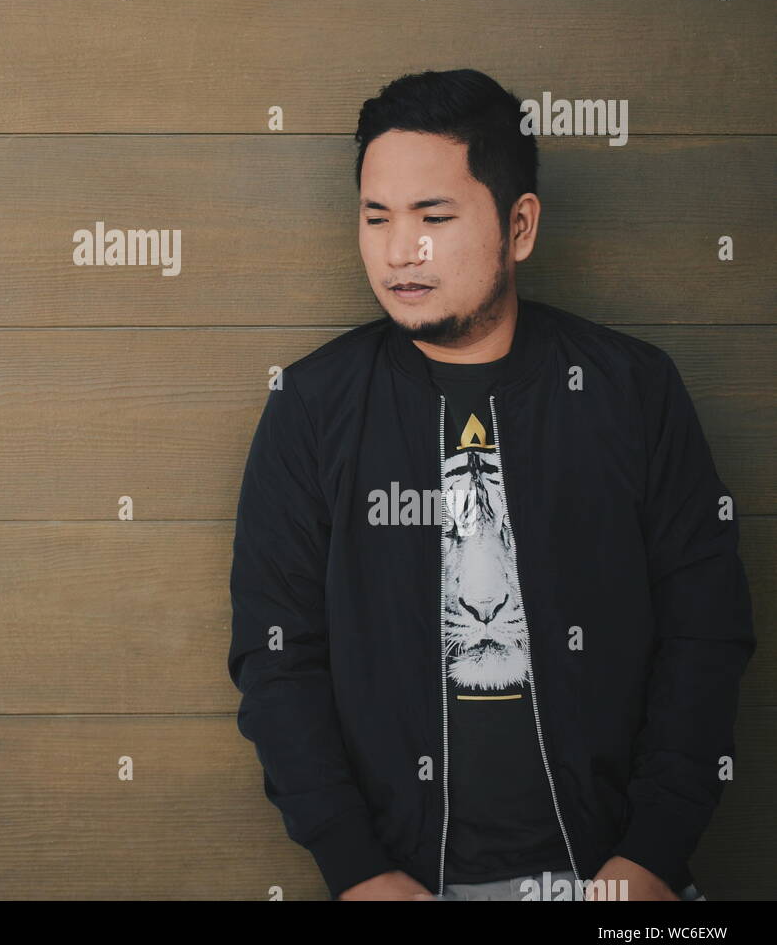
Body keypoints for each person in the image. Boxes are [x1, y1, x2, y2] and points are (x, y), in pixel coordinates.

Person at [226, 69, 755, 902]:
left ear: (520, 225)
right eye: (377, 218)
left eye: (434, 217)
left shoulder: (631, 390)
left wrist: (651, 858)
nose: (403, 249)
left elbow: (706, 635)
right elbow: (277, 661)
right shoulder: (313, 407)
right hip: (399, 884)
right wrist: (357, 871)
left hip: (624, 882)